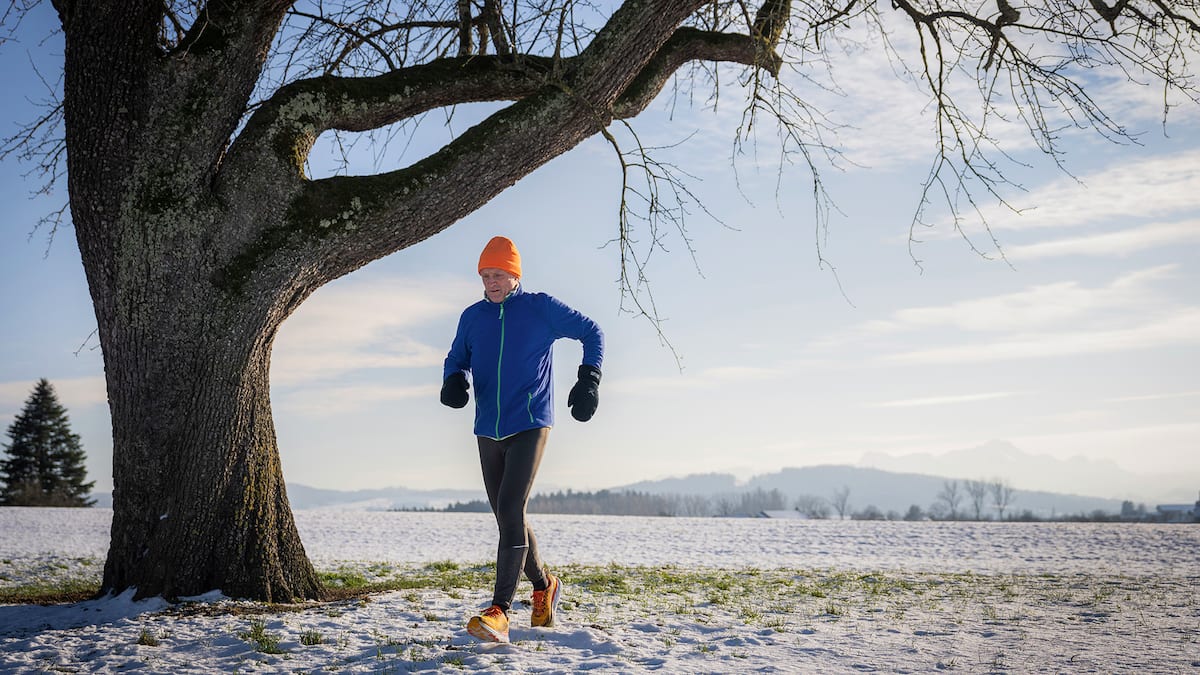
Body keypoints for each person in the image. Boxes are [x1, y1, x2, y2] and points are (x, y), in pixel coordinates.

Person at [440, 235, 604, 644]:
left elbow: (592, 332)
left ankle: (500, 612)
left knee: (512, 507)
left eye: (499, 274)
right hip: (487, 427)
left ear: (515, 275)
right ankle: (544, 585)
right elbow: (455, 357)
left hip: (531, 422)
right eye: (485, 274)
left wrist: (589, 380)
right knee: (508, 517)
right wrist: (453, 379)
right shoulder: (472, 317)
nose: (491, 281)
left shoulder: (540, 308)